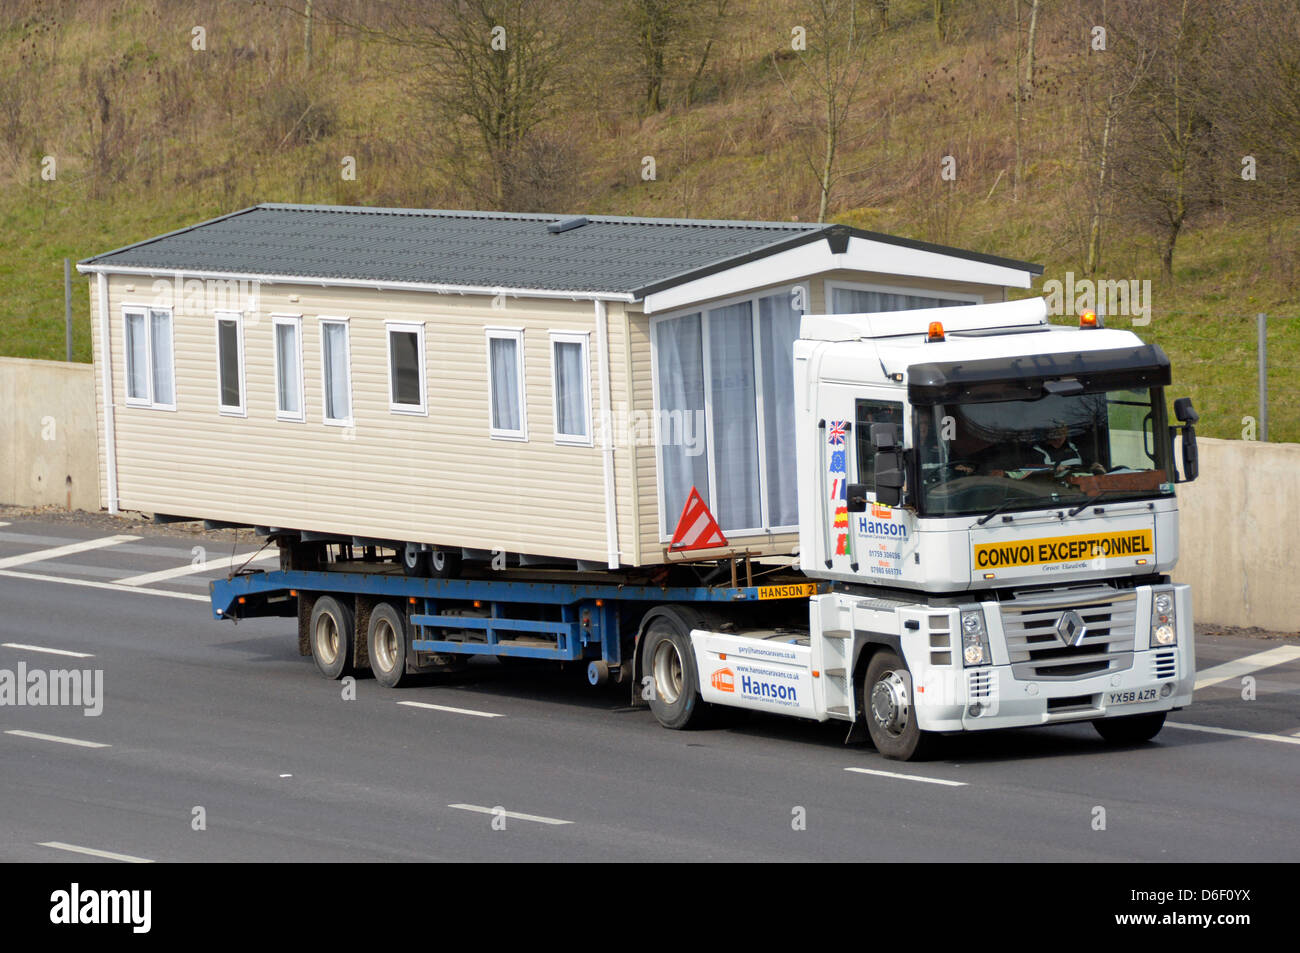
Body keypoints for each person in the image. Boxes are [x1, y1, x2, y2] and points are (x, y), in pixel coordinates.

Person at [1031, 424, 1105, 476]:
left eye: (1061, 434)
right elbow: (1031, 474)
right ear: (1046, 436)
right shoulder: (1036, 451)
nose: (1058, 439)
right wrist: (1053, 470)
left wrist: (1094, 467)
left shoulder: (1074, 446)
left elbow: (1086, 464)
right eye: (1054, 436)